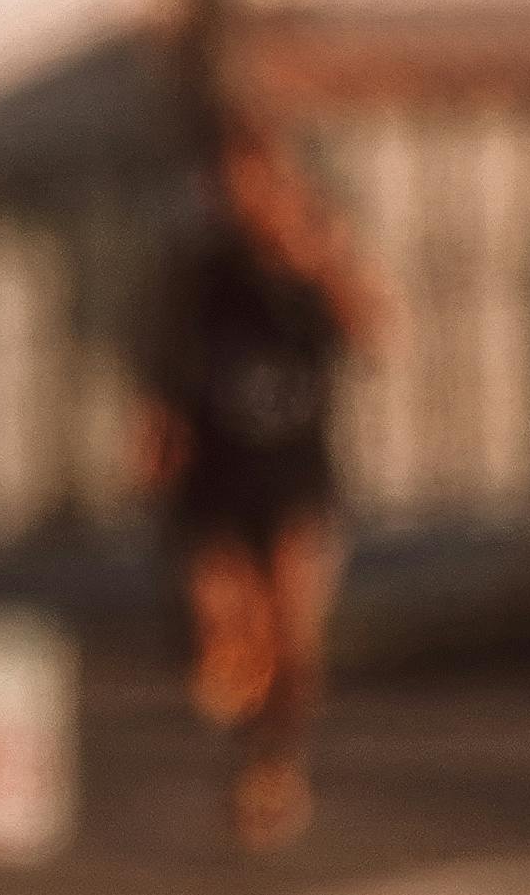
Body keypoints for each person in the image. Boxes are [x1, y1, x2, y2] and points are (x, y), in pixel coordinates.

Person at [139, 113, 374, 853]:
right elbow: (163, 371)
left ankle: (275, 760)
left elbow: (371, 332)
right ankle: (244, 713)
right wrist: (155, 442)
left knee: (295, 630)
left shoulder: (310, 267)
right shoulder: (202, 273)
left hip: (296, 477)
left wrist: (323, 258)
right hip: (217, 478)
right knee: (228, 633)